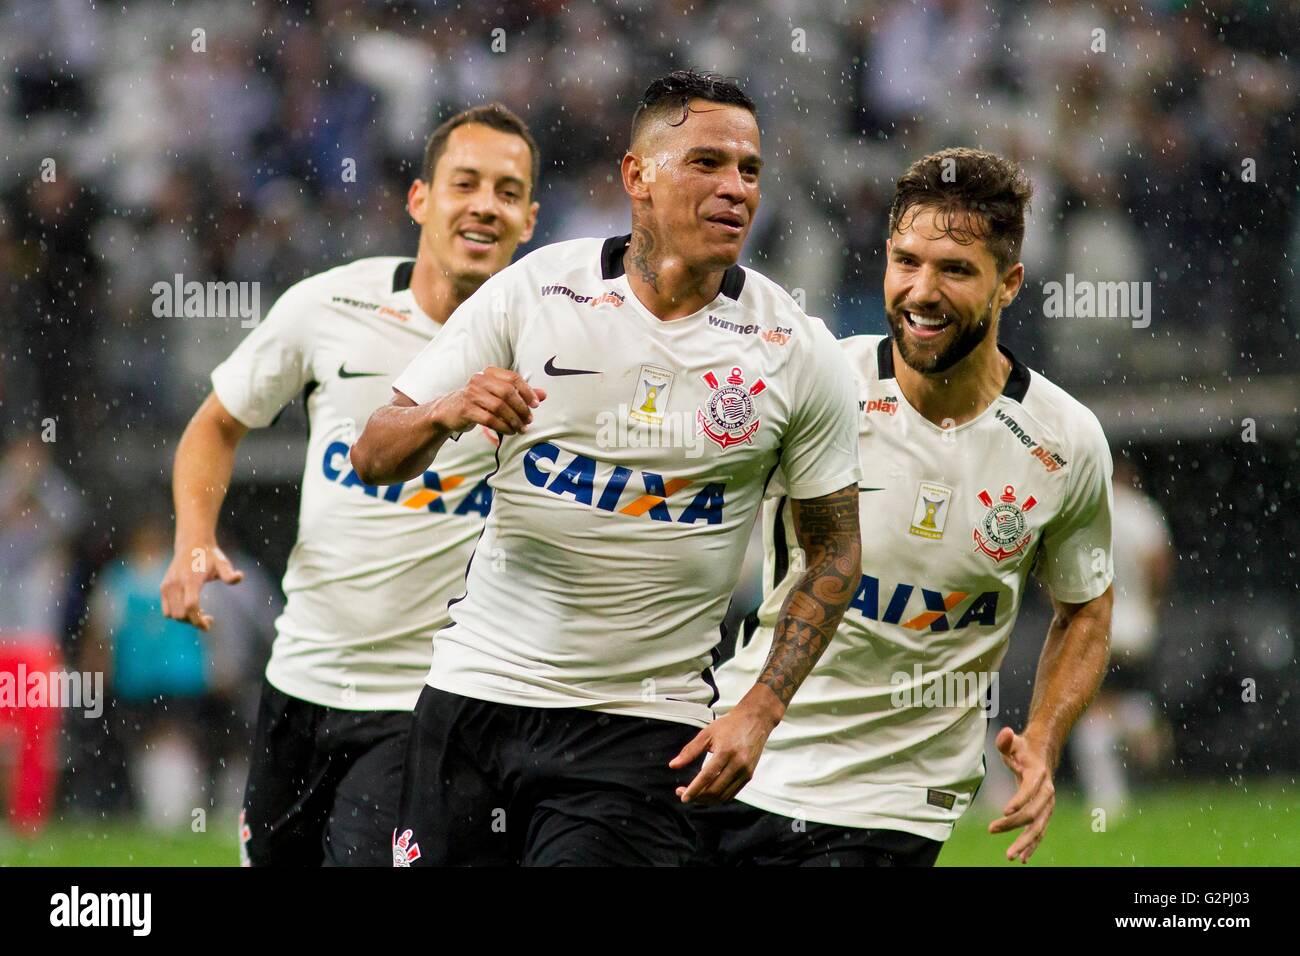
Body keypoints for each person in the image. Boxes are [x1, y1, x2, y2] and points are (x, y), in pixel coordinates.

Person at [351, 69, 863, 867]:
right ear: (637, 176)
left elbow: (835, 549)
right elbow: (374, 450)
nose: (736, 189)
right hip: (478, 696)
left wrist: (760, 708)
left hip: (642, 727)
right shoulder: (533, 291)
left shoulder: (796, 351)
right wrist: (444, 410)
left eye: (750, 170)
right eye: (706, 163)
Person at [695, 147, 1115, 866]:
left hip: (893, 808)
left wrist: (1043, 740)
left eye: (954, 270)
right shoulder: (819, 382)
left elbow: (1086, 609)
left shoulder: (1063, 441)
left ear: (1008, 282)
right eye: (906, 261)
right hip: (743, 757)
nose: (921, 291)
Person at [160, 104, 541, 866]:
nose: (485, 205)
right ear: (420, 199)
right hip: (299, 677)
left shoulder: (547, 342)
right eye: (465, 182)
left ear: (529, 219)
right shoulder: (328, 305)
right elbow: (217, 423)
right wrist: (193, 542)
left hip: (426, 702)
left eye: (507, 191)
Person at [1069, 453, 1172, 815]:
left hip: (1101, 628)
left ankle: (1108, 803)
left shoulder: (1087, 511)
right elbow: (1157, 563)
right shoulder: (1142, 511)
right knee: (1128, 703)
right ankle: (1147, 730)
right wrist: (1151, 604)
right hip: (1138, 627)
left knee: (1095, 717)